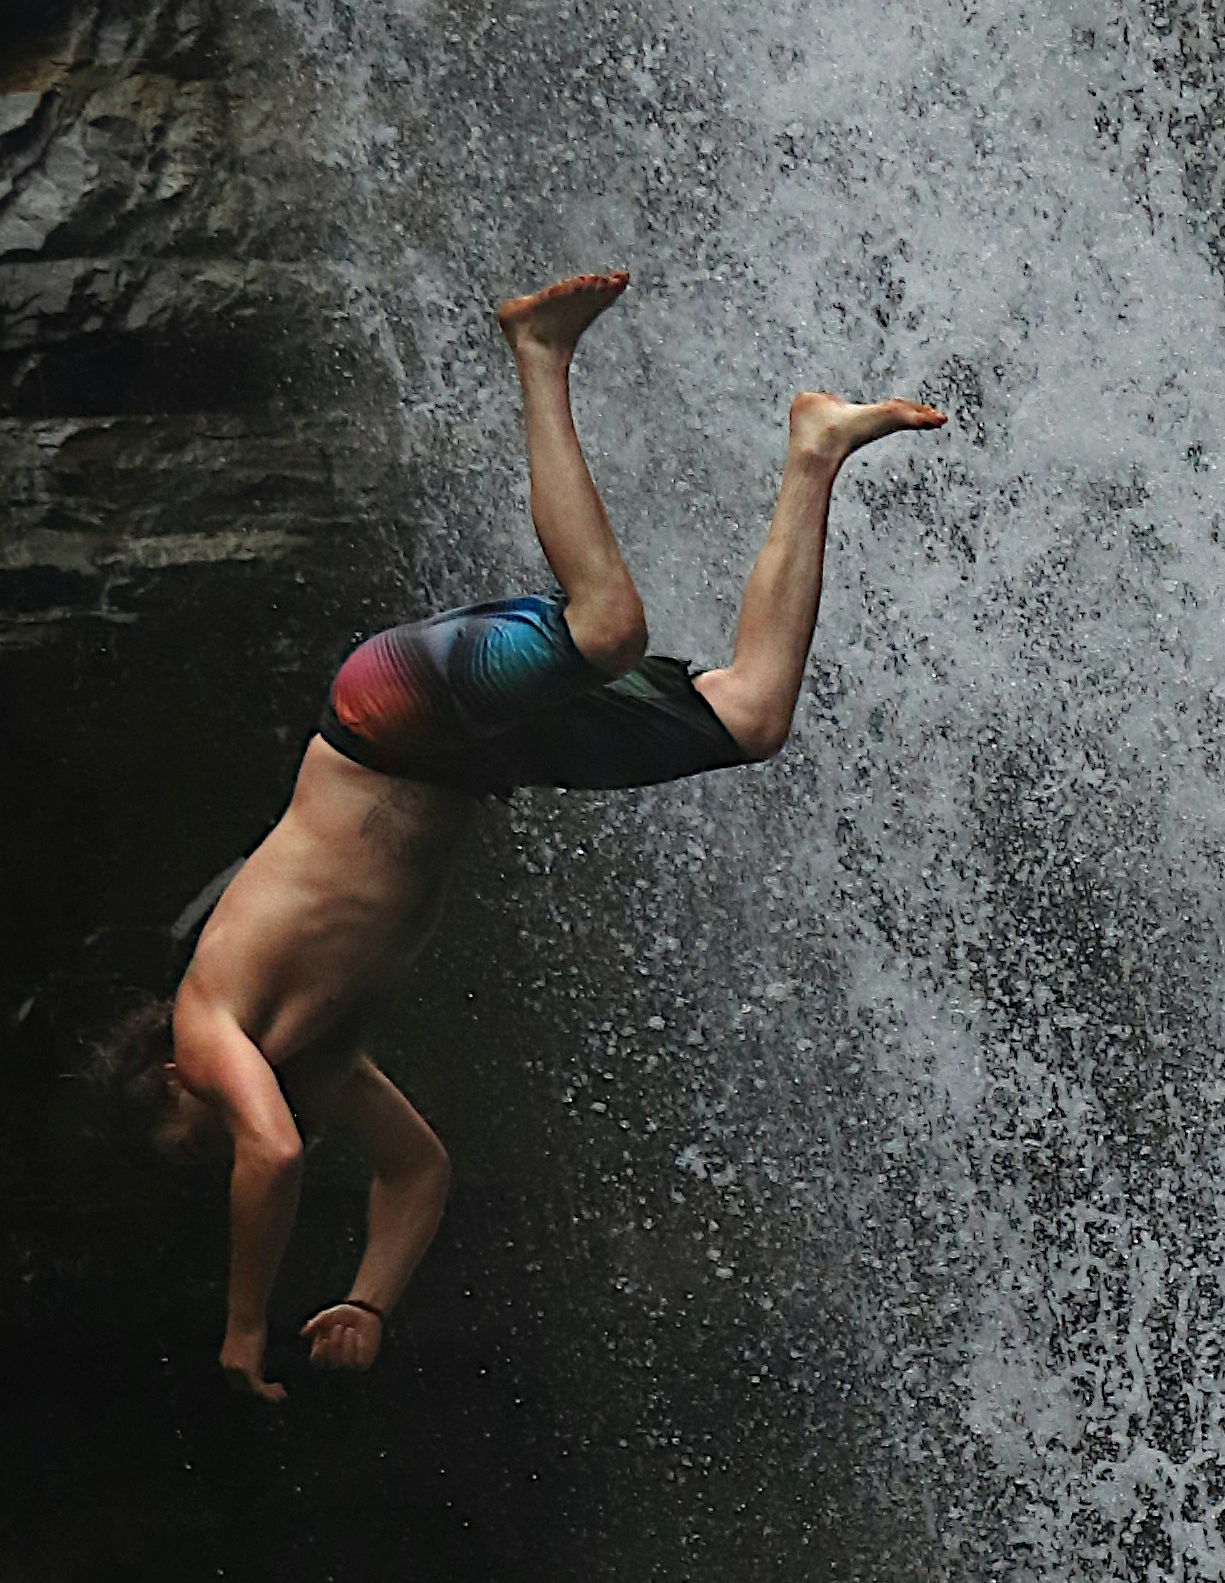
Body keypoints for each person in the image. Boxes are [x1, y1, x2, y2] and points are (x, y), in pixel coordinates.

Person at [111, 271, 944, 1399]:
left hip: (383, 719)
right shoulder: (324, 1061)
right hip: (478, 762)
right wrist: (368, 1300)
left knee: (603, 628)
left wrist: (242, 1330)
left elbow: (273, 1155)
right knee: (751, 715)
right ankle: (815, 448)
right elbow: (416, 1172)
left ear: (172, 1078)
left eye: (194, 1137)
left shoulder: (209, 1020)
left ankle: (539, 352)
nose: (224, 1139)